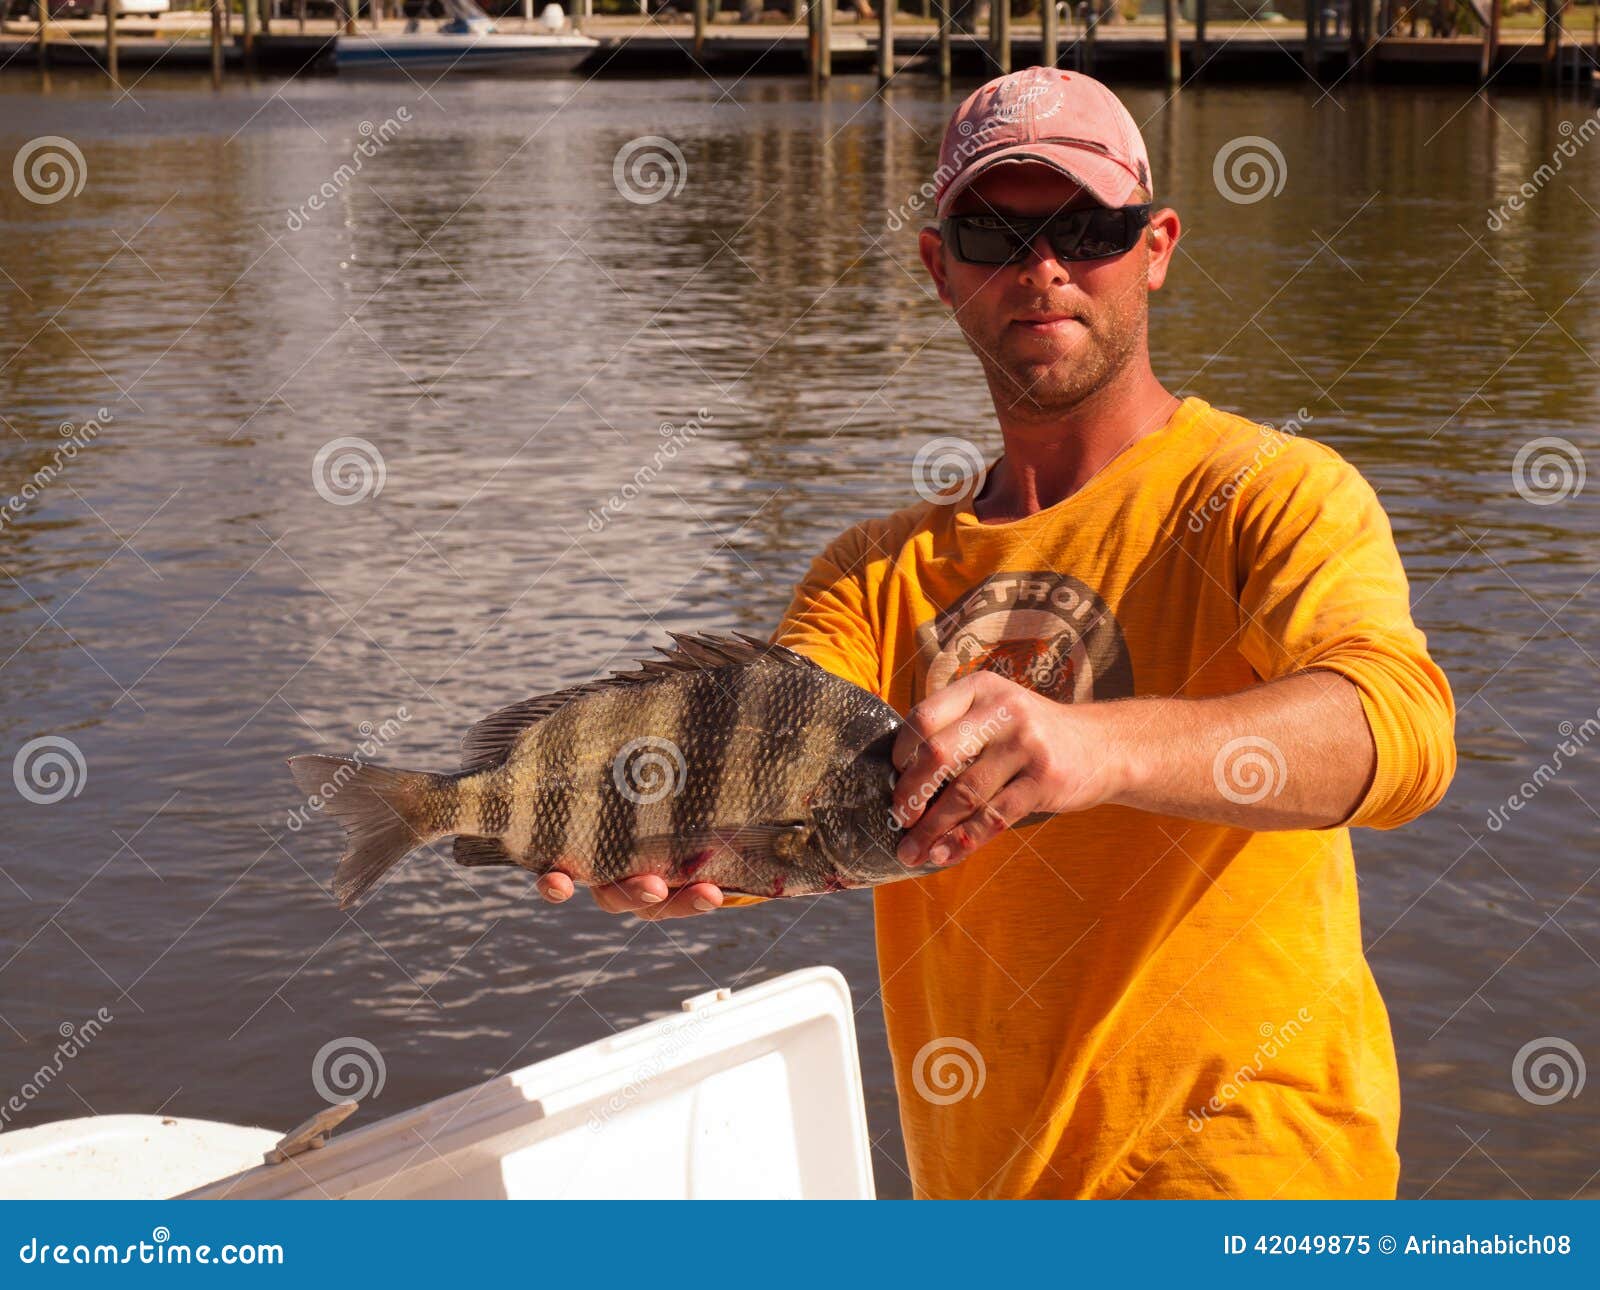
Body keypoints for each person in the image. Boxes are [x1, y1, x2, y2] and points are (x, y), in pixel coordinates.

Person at [537, 66, 1456, 1199]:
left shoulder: (1272, 493)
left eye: (1087, 227)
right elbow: (777, 789)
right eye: (992, 234)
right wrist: (676, 856)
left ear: (1156, 245)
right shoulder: (873, 576)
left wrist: (1098, 747)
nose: (1043, 268)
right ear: (939, 268)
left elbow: (1399, 732)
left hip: (1246, 1179)